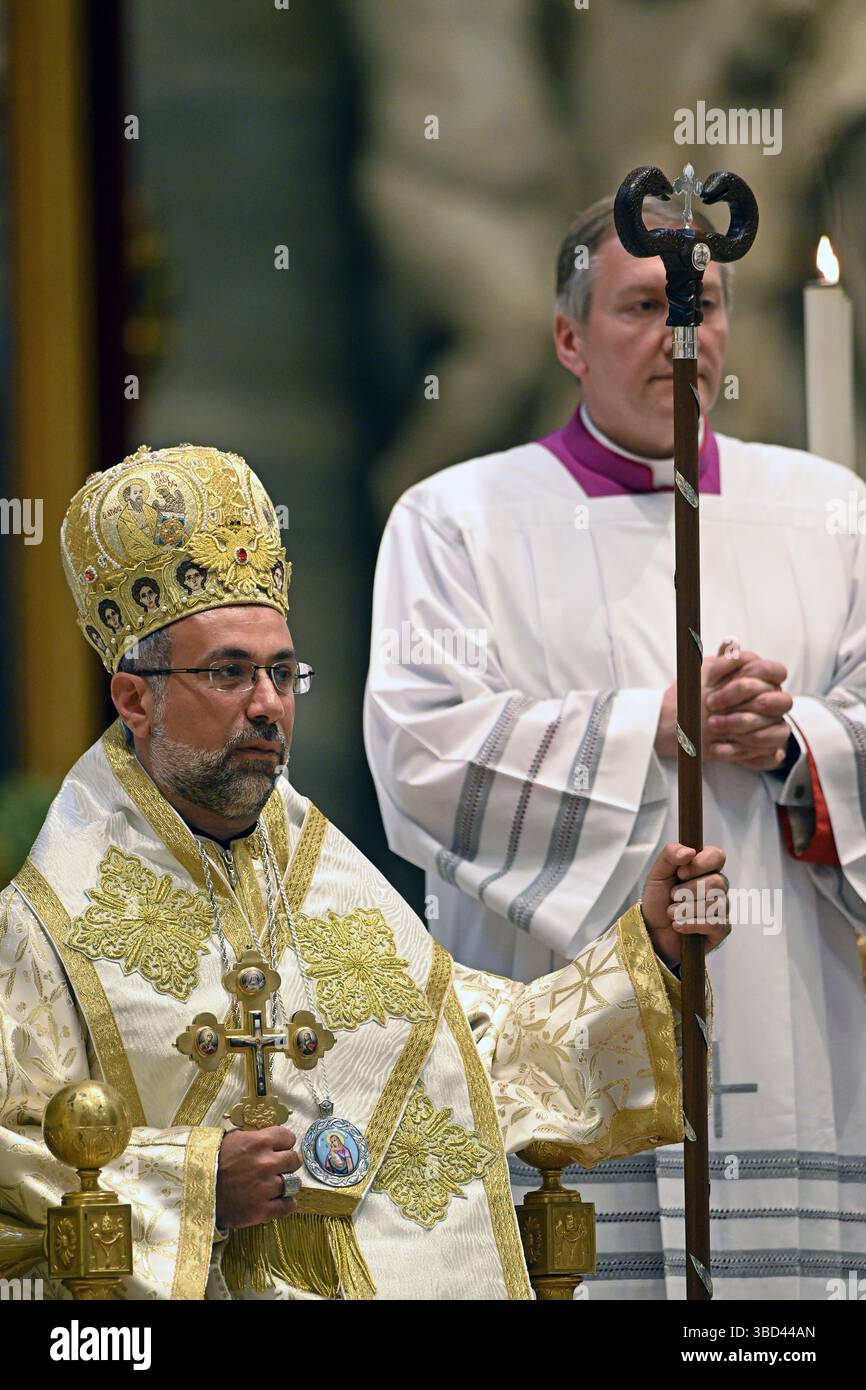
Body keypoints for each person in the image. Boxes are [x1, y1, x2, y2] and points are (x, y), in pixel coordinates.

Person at [0, 443, 728, 1301]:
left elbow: (489, 1058)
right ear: (134, 698)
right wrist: (196, 1184)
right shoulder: (44, 926)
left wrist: (654, 949)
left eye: (281, 672)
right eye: (229, 672)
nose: (267, 702)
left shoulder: (327, 881)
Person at [364, 195, 866, 1300]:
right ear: (567, 338)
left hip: (791, 1028)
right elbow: (419, 752)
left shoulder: (829, 512)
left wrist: (793, 745)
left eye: (702, 305)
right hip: (558, 1021)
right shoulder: (454, 520)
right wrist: (656, 725)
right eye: (642, 305)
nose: (679, 336)